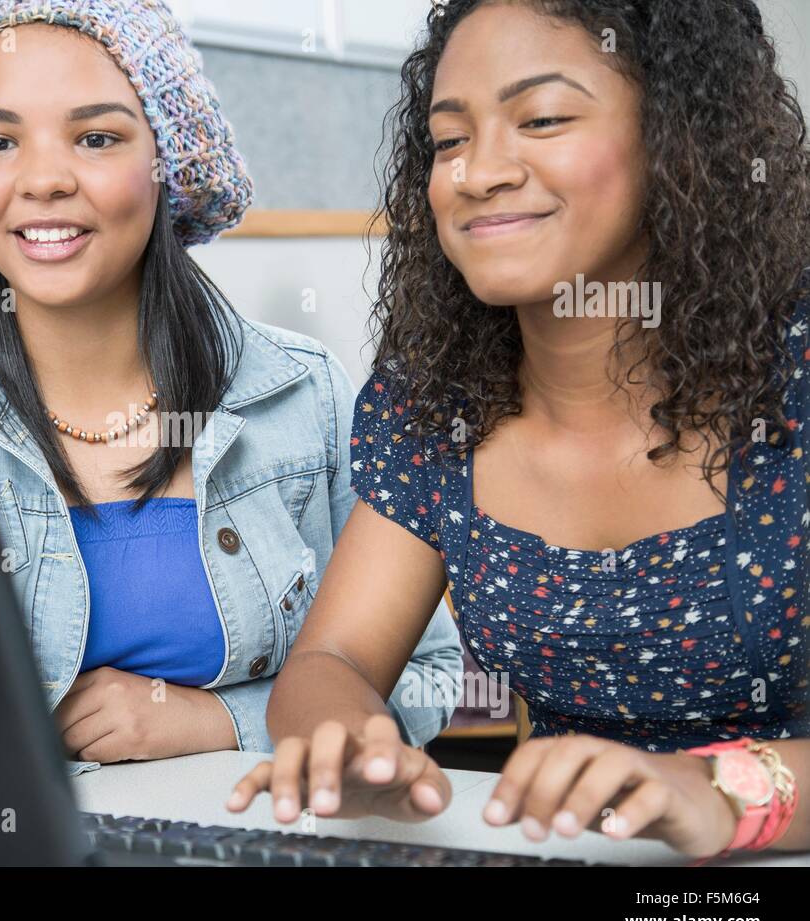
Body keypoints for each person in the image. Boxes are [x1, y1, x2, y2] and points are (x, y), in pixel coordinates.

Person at [229, 0, 808, 859]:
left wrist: (715, 788)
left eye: (541, 119)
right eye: (450, 139)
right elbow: (334, 660)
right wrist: (350, 741)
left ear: (679, 140)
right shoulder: (434, 402)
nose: (476, 172)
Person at [0, 0, 463, 773]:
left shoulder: (302, 396)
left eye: (95, 137)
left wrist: (217, 721)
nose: (42, 180)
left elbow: (428, 679)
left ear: (169, 168)